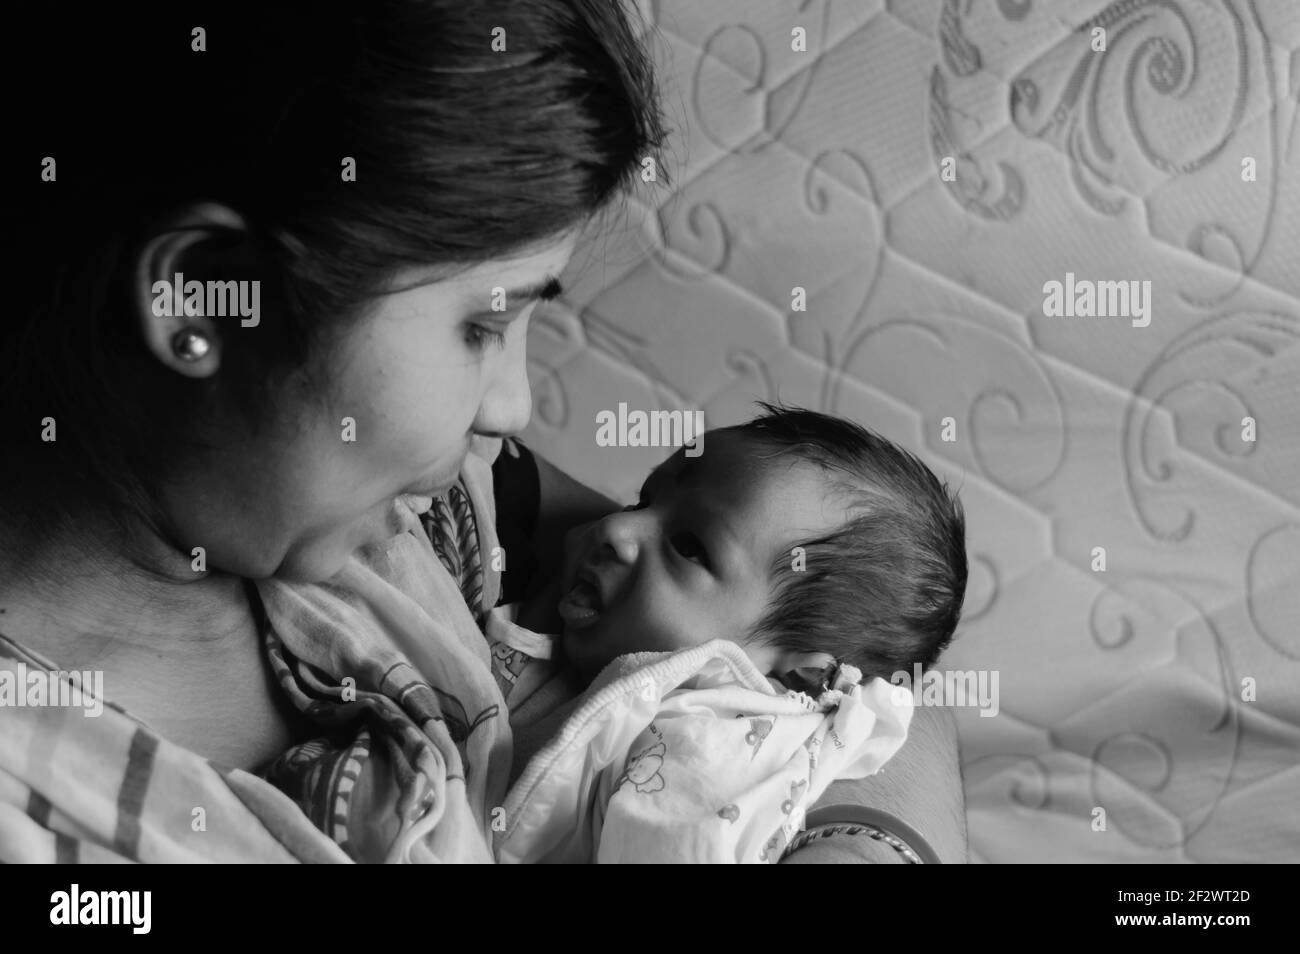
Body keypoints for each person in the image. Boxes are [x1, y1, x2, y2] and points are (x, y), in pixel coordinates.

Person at [0, 2, 966, 863]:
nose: (514, 408)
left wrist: (861, 844)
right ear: (203, 297)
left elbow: (860, 664)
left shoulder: (440, 509)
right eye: (483, 326)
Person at [483, 407, 967, 862]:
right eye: (644, 499)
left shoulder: (703, 757)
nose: (616, 526)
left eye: (689, 547)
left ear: (799, 676)